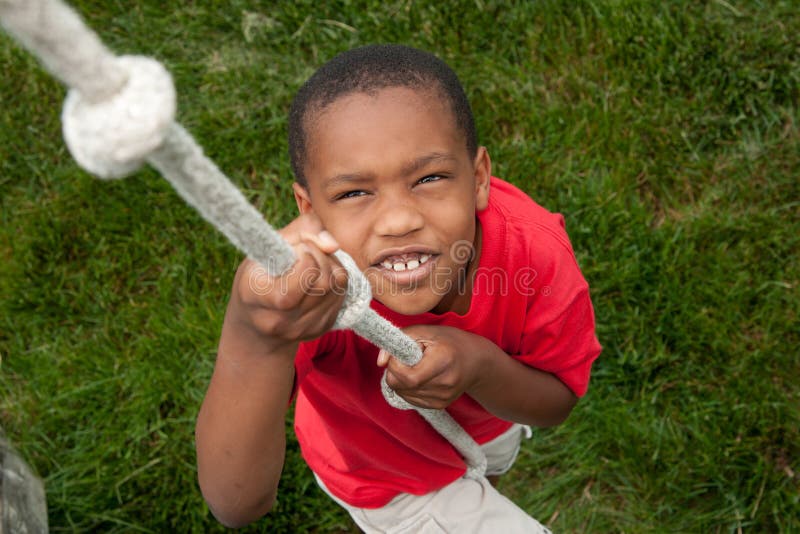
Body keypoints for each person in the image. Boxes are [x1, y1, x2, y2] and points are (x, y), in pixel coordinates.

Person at [194, 44, 601, 533]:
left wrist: (479, 366)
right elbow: (236, 504)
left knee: (491, 467)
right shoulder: (309, 295)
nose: (399, 220)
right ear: (309, 209)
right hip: (389, 481)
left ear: (478, 178)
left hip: (489, 422)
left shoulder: (533, 254)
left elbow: (556, 404)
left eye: (429, 177)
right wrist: (254, 336)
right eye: (354, 193)